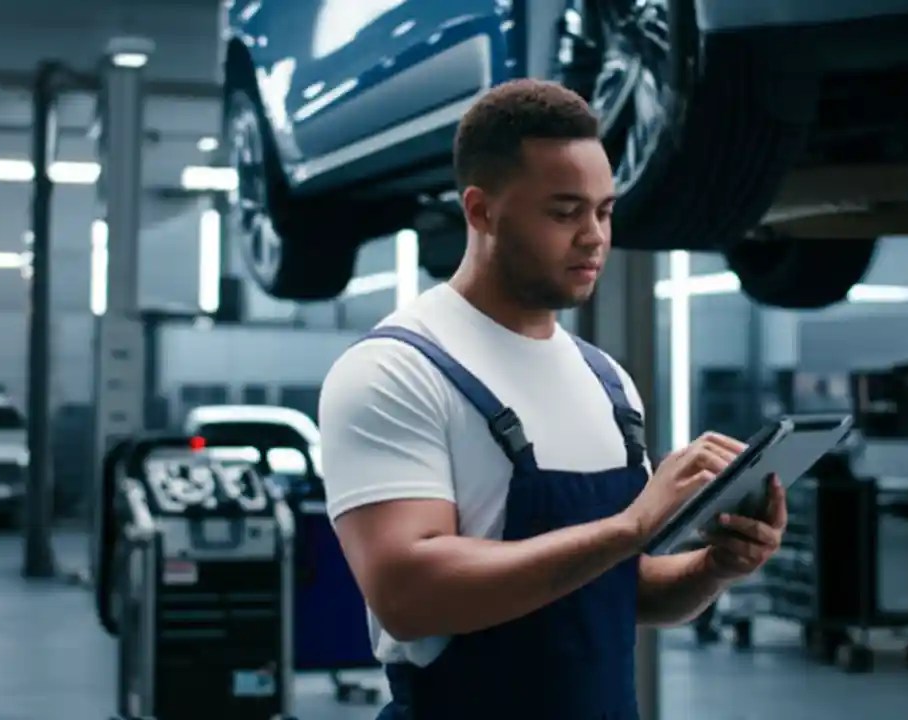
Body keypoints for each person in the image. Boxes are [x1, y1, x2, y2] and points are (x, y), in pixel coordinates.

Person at [318, 78, 788, 719]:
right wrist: (631, 527)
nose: (594, 237)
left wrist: (715, 568)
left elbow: (623, 588)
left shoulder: (607, 381)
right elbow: (409, 595)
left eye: (605, 211)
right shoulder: (396, 371)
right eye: (565, 213)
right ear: (481, 211)